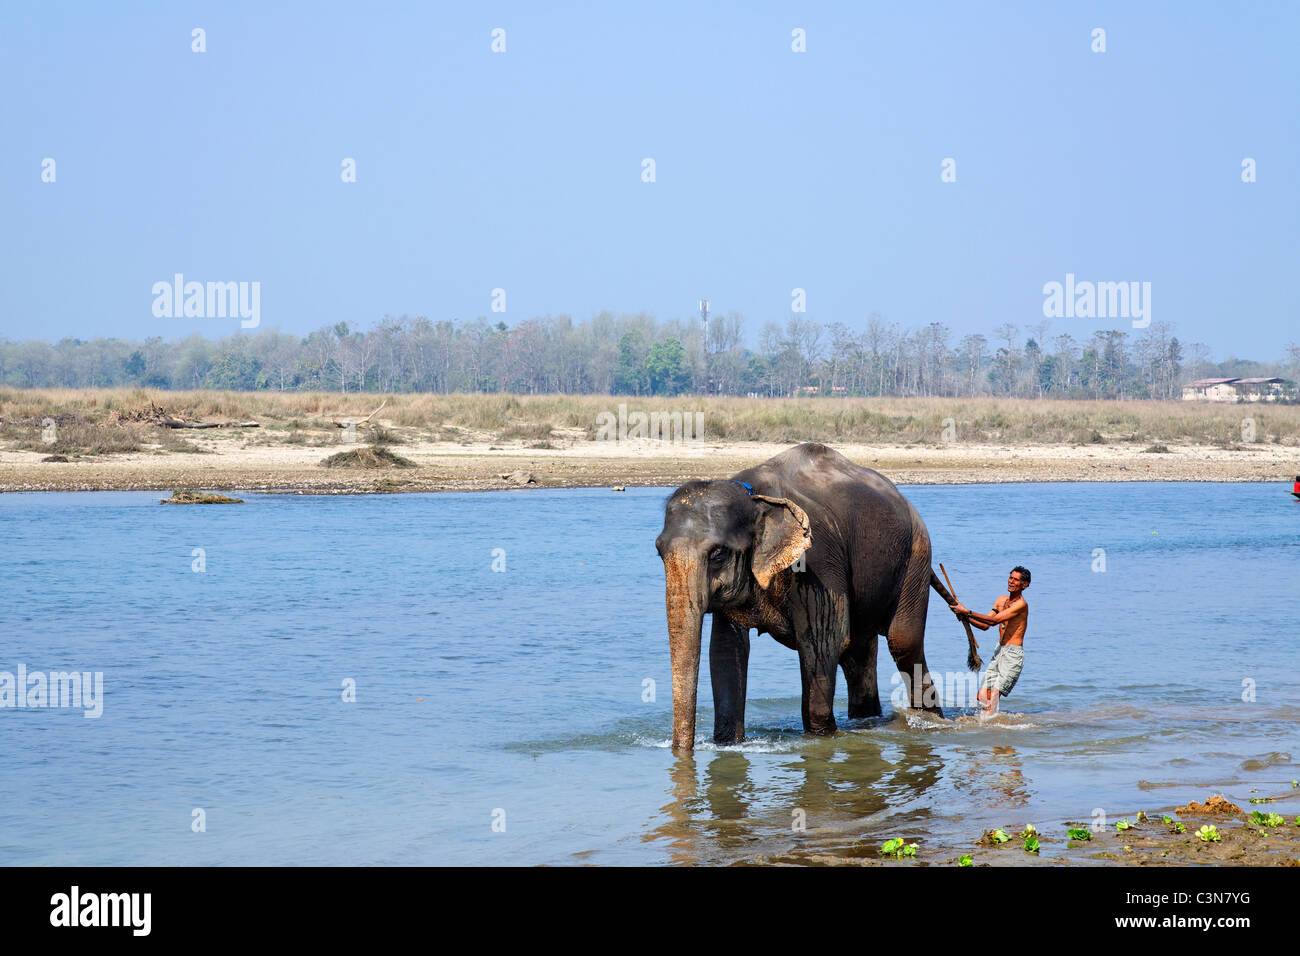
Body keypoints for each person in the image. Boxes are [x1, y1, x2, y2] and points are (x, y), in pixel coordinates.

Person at [950, 566, 1030, 716]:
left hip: (1013, 655)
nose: (1011, 582)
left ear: (1024, 585)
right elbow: (985, 625)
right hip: (999, 651)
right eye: (1010, 577)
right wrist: (966, 617)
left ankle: (988, 726)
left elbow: (994, 622)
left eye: (1016, 580)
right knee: (981, 696)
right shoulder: (1001, 600)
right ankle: (988, 724)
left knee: (993, 696)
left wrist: (967, 612)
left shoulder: (1021, 605)